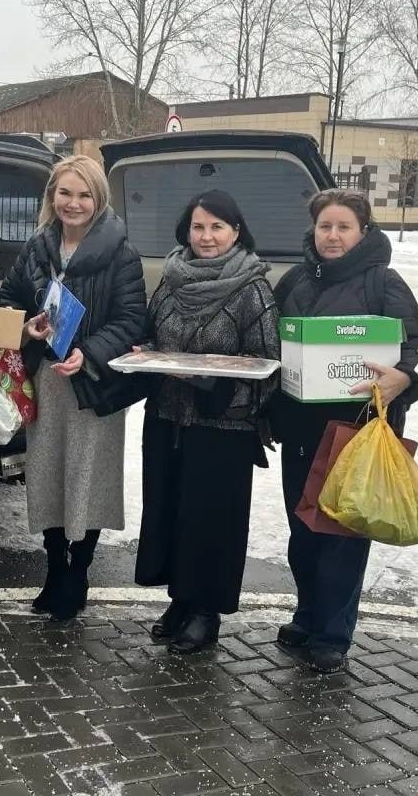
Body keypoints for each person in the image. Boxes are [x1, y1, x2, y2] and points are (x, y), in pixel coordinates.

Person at [269, 189, 418, 673]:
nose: (332, 236)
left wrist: (405, 376)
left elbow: (417, 349)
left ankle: (333, 634)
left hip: (356, 429)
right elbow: (272, 348)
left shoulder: (384, 283)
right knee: (303, 529)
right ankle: (307, 613)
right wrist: (266, 414)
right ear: (313, 231)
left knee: (343, 531)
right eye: (325, 227)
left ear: (364, 232)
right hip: (301, 429)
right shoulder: (296, 281)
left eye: (343, 227)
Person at [0, 154, 146, 621]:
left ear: (98, 198)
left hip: (92, 384)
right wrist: (30, 327)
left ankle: (77, 574)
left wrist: (92, 353)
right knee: (48, 479)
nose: (73, 203)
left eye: (84, 194)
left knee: (85, 480)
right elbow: (10, 297)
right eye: (65, 193)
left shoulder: (121, 252)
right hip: (47, 379)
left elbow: (131, 319)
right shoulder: (38, 246)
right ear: (52, 196)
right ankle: (52, 571)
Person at [134, 190, 280, 654]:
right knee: (171, 512)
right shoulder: (172, 279)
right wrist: (145, 354)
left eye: (217, 227)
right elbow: (154, 331)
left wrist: (208, 380)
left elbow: (267, 365)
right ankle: (180, 599)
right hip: (167, 418)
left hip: (223, 428)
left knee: (211, 521)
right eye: (199, 226)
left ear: (236, 231)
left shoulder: (252, 288)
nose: (207, 236)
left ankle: (205, 612)